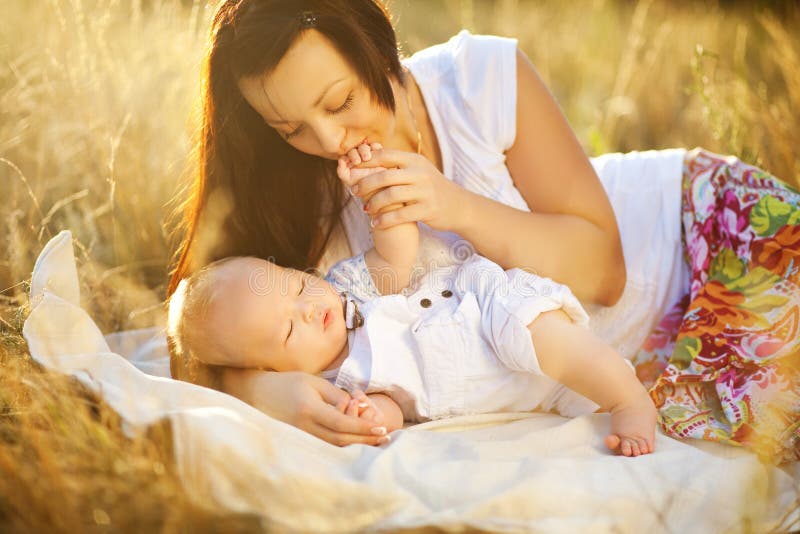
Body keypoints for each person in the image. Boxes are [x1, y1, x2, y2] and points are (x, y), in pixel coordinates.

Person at [168, 0, 800, 461]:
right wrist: (262, 390)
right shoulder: (288, 192)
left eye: (338, 103)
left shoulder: (478, 80)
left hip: (702, 231)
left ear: (374, 42)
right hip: (621, 360)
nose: (328, 141)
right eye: (291, 129)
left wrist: (454, 205)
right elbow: (199, 327)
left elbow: (606, 274)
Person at [167, 143, 657, 455]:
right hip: (510, 390)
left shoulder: (348, 286)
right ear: (274, 371)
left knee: (547, 338)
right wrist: (368, 419)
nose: (307, 308)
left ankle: (629, 397)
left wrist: (380, 204)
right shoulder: (337, 387)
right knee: (558, 377)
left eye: (296, 286)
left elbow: (397, 257)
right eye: (289, 329)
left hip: (484, 313)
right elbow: (392, 412)